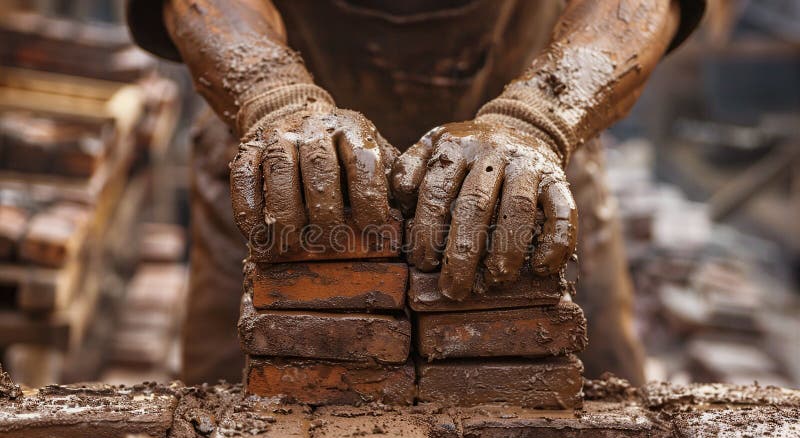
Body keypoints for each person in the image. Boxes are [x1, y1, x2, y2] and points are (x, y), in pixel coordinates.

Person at [126, 0, 705, 385]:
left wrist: (538, 119)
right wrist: (271, 95)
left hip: (527, 163)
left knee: (595, 394)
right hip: (283, 164)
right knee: (238, 396)